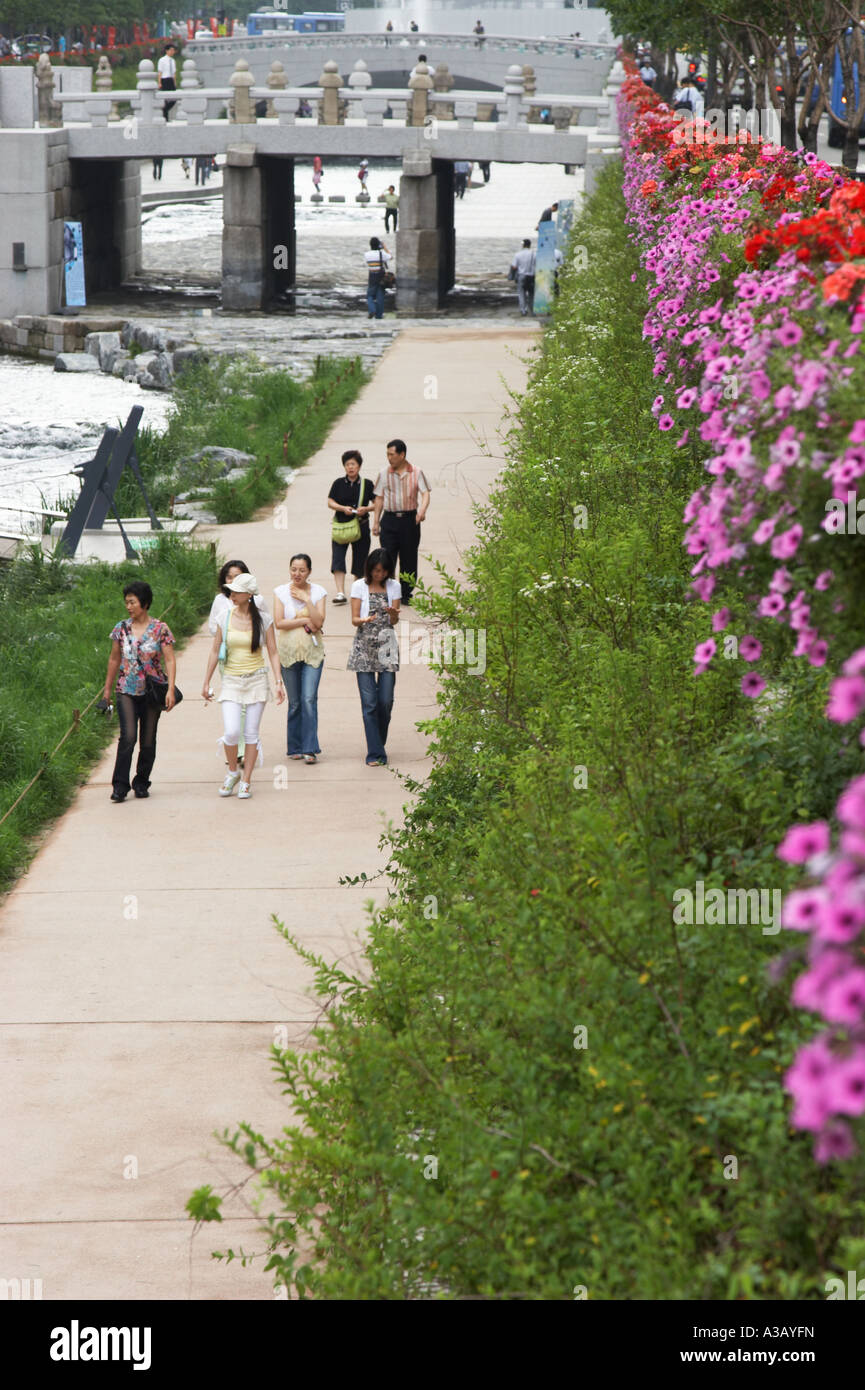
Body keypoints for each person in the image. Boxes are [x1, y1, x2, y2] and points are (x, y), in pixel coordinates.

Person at [203, 573, 285, 799]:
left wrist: (278, 682)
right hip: (231, 680)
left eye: (236, 591)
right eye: (231, 590)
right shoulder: (224, 617)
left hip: (257, 680)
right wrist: (207, 681)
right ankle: (232, 772)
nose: (232, 594)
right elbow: (214, 650)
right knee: (231, 732)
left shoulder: (264, 620)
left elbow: (273, 652)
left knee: (250, 733)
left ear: (248, 595)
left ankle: (246, 779)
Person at [102, 580, 177, 803]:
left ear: (144, 603)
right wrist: (107, 691)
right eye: (126, 602)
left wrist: (170, 689)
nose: (129, 607)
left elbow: (170, 660)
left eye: (132, 602)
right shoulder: (121, 629)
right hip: (126, 688)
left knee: (147, 740)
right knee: (128, 737)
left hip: (152, 691)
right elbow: (114, 659)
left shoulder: (160, 629)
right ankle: (120, 786)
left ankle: (142, 781)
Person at [208, 558, 271, 768]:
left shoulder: (258, 603)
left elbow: (267, 636)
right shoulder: (220, 603)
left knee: (247, 712)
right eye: (229, 577)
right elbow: (212, 631)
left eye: (237, 576)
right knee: (234, 713)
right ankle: (234, 748)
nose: (232, 580)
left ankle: (243, 751)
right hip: (228, 660)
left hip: (252, 666)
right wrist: (227, 630)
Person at [348, 549, 401, 767]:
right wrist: (364, 619)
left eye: (384, 571)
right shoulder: (358, 586)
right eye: (376, 571)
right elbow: (353, 619)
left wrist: (393, 613)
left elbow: (394, 621)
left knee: (385, 701)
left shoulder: (394, 586)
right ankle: (376, 753)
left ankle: (377, 742)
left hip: (387, 644)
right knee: (369, 703)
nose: (379, 575)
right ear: (369, 569)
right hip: (364, 646)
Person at [273, 554, 327, 765]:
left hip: (313, 654)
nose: (297, 574)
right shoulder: (280, 592)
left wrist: (306, 600)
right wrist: (305, 619)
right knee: (295, 702)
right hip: (287, 653)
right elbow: (279, 623)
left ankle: (310, 748)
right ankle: (294, 746)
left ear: (309, 572)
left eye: (302, 570)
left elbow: (320, 621)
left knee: (308, 699)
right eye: (294, 569)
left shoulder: (319, 592)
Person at [372, 439, 431, 606]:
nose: (389, 458)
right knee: (387, 557)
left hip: (409, 520)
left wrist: (422, 511)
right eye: (387, 454)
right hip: (389, 520)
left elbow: (425, 493)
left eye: (392, 454)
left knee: (409, 556)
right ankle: (388, 591)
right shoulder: (384, 473)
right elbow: (379, 498)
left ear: (402, 454)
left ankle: (405, 593)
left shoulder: (417, 472)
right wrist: (376, 521)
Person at [328, 449, 375, 603]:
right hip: (341, 526)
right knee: (338, 558)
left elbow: (378, 504)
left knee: (360, 560)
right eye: (347, 464)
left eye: (353, 464)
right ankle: (340, 592)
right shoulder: (338, 483)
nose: (350, 467)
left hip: (361, 525)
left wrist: (366, 509)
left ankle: (357, 591)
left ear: (359, 466)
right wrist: (342, 508)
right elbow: (330, 502)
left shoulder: (367, 485)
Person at [364, 236, 391, 320]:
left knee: (370, 295)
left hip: (372, 275)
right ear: (379, 245)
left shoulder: (367, 254)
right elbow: (390, 257)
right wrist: (384, 247)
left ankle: (372, 310)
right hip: (380, 276)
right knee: (380, 296)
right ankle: (379, 315)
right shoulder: (381, 254)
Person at [511, 238, 536, 316]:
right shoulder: (534, 254)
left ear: (523, 245)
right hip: (531, 276)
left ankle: (523, 310)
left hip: (521, 276)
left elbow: (514, 267)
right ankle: (532, 310)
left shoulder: (518, 254)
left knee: (522, 294)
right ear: (529, 245)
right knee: (531, 294)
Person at [157, 42, 177, 122]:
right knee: (165, 99)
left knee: (173, 99)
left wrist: (175, 82)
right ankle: (165, 117)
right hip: (164, 80)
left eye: (173, 50)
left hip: (171, 80)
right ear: (167, 51)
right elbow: (160, 72)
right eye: (171, 50)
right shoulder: (162, 60)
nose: (172, 52)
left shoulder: (173, 61)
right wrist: (159, 83)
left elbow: (174, 73)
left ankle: (164, 110)